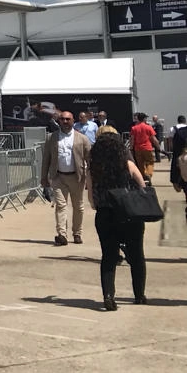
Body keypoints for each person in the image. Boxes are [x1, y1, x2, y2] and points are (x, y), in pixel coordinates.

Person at [87, 131, 150, 310]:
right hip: (128, 211)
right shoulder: (126, 162)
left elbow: (91, 195)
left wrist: (98, 204)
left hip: (105, 213)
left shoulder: (93, 167)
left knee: (108, 256)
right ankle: (139, 295)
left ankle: (108, 295)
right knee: (137, 254)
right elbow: (140, 182)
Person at [39, 110, 92, 247]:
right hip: (58, 177)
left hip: (77, 177)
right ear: (59, 121)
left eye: (68, 119)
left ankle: (77, 233)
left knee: (78, 207)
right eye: (62, 119)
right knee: (61, 206)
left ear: (73, 121)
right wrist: (44, 177)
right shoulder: (51, 138)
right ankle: (62, 234)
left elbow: (90, 159)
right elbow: (46, 159)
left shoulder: (82, 139)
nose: (65, 122)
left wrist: (92, 179)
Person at [129, 113, 158, 184]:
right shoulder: (148, 127)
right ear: (144, 119)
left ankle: (144, 178)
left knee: (140, 164)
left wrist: (131, 148)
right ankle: (148, 174)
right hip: (147, 147)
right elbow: (154, 139)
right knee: (150, 162)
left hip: (138, 148)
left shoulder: (134, 128)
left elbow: (132, 139)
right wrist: (158, 146)